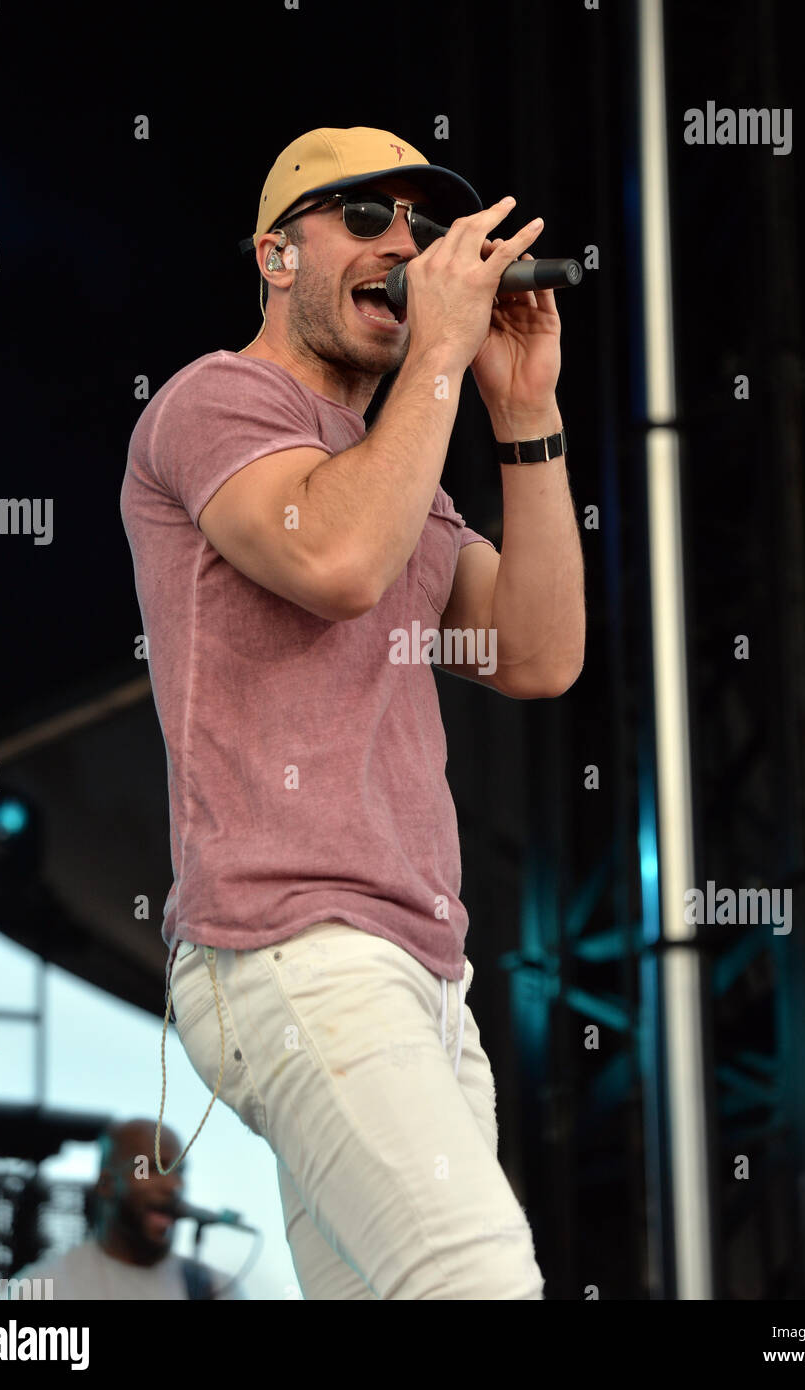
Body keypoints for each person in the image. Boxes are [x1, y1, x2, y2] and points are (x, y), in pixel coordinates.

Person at [120, 125, 585, 1299]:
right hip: (296, 944)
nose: (403, 246)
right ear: (276, 257)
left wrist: (521, 410)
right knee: (477, 1281)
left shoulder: (399, 471)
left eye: (420, 229)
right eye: (366, 219)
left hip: (425, 971)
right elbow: (332, 559)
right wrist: (436, 354)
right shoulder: (214, 401)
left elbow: (534, 651)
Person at [8, 1119, 244, 1299]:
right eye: (152, 1168)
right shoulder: (42, 1287)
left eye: (179, 1171)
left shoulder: (214, 1287)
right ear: (107, 1184)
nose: (174, 1185)